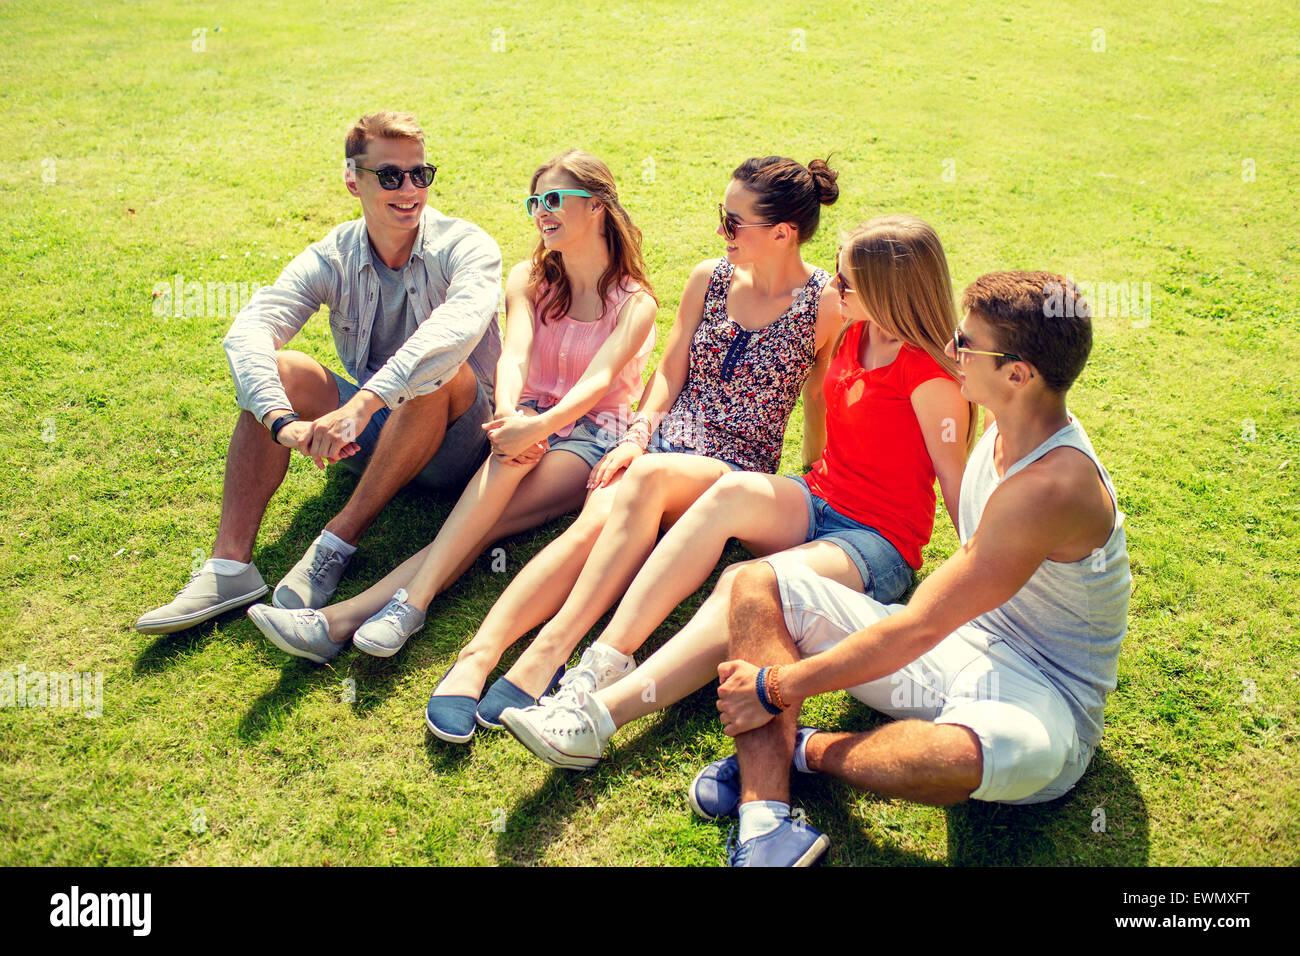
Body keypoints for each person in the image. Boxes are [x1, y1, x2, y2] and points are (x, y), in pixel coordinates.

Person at [501, 214, 979, 764]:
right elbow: (819, 409)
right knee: (723, 496)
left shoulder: (931, 377)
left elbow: (955, 485)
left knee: (743, 583)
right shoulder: (854, 331)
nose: (834, 289)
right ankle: (602, 663)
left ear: (889, 291)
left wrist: (980, 585)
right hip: (818, 496)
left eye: (846, 283)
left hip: (876, 540)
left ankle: (598, 719)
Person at [703, 271, 1130, 866]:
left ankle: (805, 751)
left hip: (1045, 697)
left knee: (956, 758)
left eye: (966, 343)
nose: (950, 349)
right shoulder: (1006, 423)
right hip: (964, 645)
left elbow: (919, 626)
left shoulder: (1053, 487)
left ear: (1017, 373)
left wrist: (775, 689)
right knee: (757, 582)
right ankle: (766, 820)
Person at [422, 156, 844, 741]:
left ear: (782, 233)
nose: (721, 232)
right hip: (662, 439)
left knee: (632, 496)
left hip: (733, 463)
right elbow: (670, 369)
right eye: (721, 217)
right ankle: (479, 654)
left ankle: (547, 653)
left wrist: (814, 476)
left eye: (733, 222)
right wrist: (638, 435)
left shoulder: (825, 302)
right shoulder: (710, 277)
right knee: (591, 523)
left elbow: (821, 398)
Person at [242, 150, 658, 682]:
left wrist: (533, 429)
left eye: (554, 199)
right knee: (483, 508)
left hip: (590, 438)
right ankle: (365, 618)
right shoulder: (529, 277)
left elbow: (599, 383)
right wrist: (510, 413)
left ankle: (360, 617)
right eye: (535, 201)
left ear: (597, 208)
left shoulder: (634, 301)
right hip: (521, 421)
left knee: (481, 520)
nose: (541, 212)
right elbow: (515, 355)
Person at [135, 111, 502, 635]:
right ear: (353, 179)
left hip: (459, 445)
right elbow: (251, 329)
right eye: (390, 175)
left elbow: (453, 331)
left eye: (420, 174)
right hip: (371, 437)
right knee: (284, 368)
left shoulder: (466, 245)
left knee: (443, 372)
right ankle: (230, 566)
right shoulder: (333, 254)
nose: (409, 189)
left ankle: (335, 542)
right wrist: (282, 423)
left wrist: (363, 401)